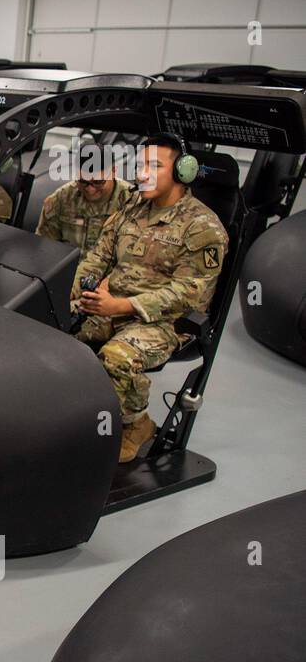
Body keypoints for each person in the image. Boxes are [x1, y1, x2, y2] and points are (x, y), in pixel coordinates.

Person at [74, 136, 228, 463]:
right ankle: (77, 412)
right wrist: (81, 287)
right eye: (141, 165)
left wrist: (124, 306)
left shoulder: (202, 227)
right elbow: (99, 254)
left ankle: (136, 425)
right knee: (56, 329)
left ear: (182, 172)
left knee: (116, 356)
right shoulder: (133, 207)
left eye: (154, 166)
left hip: (165, 322)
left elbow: (189, 291)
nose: (144, 173)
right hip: (111, 303)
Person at [36, 141, 137, 255]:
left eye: (98, 182)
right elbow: (44, 248)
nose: (90, 190)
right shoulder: (60, 200)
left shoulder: (133, 202)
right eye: (83, 182)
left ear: (113, 171)